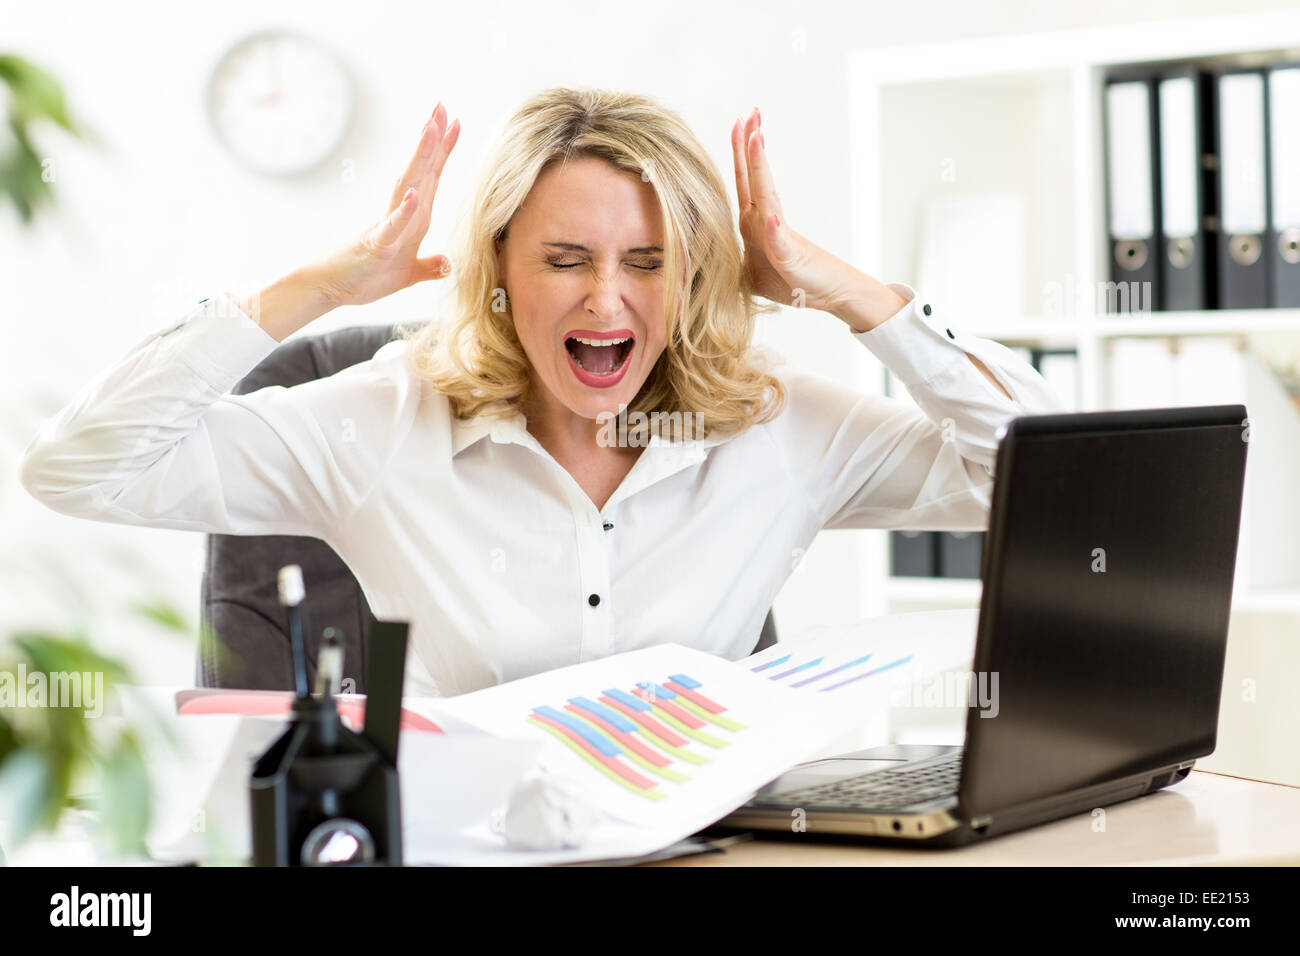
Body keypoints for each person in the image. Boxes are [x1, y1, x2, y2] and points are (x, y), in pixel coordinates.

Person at [19, 88, 1062, 698]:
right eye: (565, 258)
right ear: (500, 269)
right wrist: (311, 290)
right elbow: (82, 468)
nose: (608, 300)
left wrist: (856, 297)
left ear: (694, 273)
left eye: (649, 261)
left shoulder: (776, 425)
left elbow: (1057, 479)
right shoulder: (382, 418)